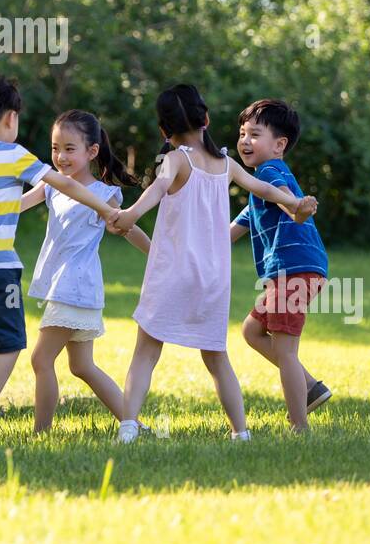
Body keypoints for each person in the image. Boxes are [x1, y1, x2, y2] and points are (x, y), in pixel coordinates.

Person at [110, 84, 317, 443]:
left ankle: (128, 426)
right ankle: (241, 432)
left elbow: (155, 193)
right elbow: (264, 190)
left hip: (174, 273)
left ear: (164, 131)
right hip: (212, 279)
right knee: (217, 358)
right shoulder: (226, 165)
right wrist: (295, 203)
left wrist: (129, 215)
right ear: (206, 119)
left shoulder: (176, 160)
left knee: (145, 351)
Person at [0, 72, 121, 443]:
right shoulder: (15, 155)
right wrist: (105, 208)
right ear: (10, 118)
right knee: (11, 341)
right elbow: (61, 183)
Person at [22, 109, 150, 432]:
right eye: (54, 148)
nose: (60, 156)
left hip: (75, 284)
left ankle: (41, 433)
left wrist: (157, 253)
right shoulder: (51, 185)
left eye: (69, 148)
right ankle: (133, 422)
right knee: (82, 365)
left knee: (40, 359)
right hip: (64, 285)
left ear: (91, 151)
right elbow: (17, 205)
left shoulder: (103, 195)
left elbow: (127, 227)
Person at [231, 98, 331, 431]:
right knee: (252, 330)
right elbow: (230, 232)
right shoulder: (259, 187)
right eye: (242, 133)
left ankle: (299, 425)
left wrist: (299, 208)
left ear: (279, 145)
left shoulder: (272, 172)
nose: (245, 141)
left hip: (294, 270)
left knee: (286, 349)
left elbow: (289, 204)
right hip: (293, 271)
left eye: (254, 134)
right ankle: (311, 389)